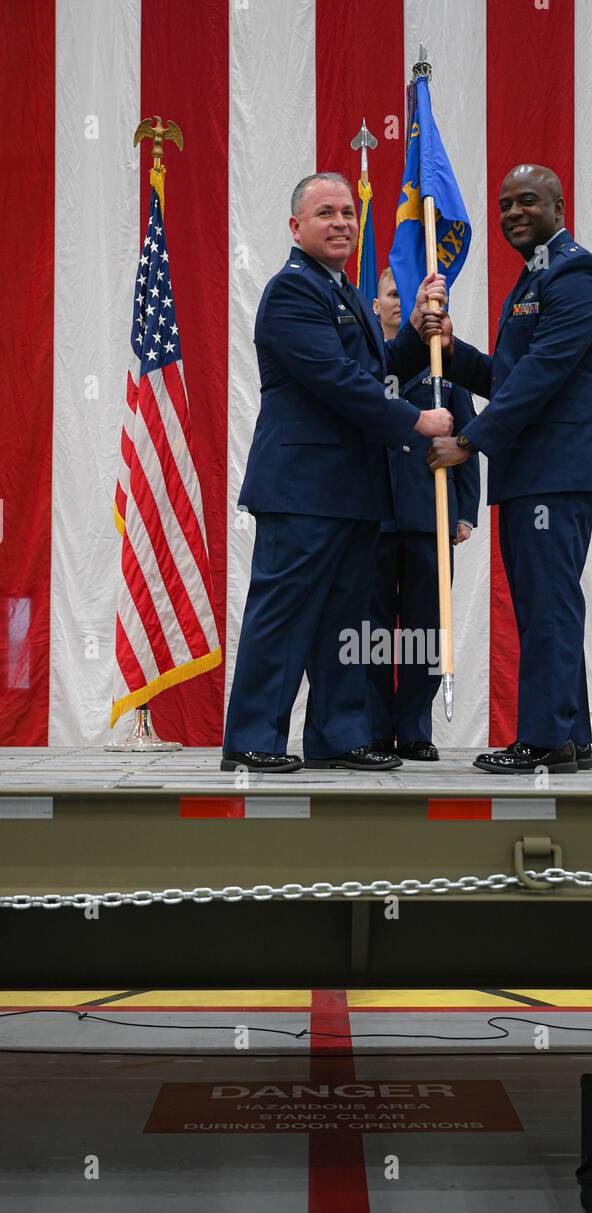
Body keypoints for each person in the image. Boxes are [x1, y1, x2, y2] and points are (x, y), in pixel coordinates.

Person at [221, 172, 452, 774]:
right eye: (327, 212)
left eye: (349, 212)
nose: (344, 222)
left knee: (346, 623)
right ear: (296, 227)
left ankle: (337, 735)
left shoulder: (345, 291)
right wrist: (415, 420)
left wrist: (419, 331)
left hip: (350, 491)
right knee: (284, 614)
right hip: (302, 489)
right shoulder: (293, 291)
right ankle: (251, 738)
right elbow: (336, 380)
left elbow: (368, 371)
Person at [425, 164, 592, 774]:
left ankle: (544, 741)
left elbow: (542, 376)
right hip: (535, 470)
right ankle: (569, 736)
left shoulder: (576, 274)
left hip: (554, 471)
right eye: (505, 204)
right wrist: (454, 354)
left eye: (527, 201)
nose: (513, 213)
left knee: (548, 605)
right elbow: (512, 376)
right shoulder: (536, 276)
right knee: (546, 604)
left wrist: (470, 441)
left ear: (560, 206)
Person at [368, 267, 480, 760]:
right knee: (370, 632)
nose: (399, 304)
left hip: (428, 513)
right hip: (372, 513)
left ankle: (413, 728)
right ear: (376, 304)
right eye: (392, 295)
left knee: (426, 629)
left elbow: (468, 441)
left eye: (407, 297)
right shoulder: (365, 361)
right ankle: (373, 728)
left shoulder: (442, 361)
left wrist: (465, 512)